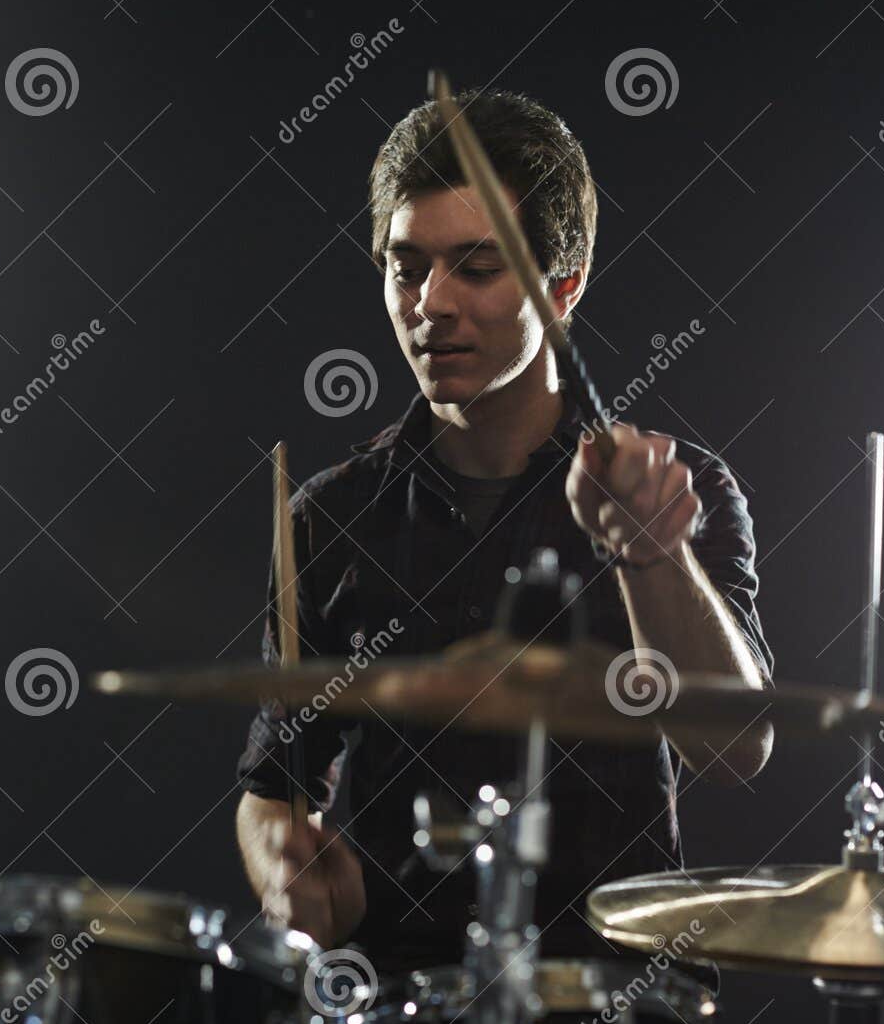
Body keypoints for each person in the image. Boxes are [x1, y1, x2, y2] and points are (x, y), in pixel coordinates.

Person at [234, 89, 773, 975]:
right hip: (393, 1008)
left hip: (608, 1010)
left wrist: (650, 550)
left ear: (564, 287)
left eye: (476, 267)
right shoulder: (327, 518)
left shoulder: (684, 487)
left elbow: (736, 747)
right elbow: (270, 787)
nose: (430, 304)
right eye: (407, 267)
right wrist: (283, 869)